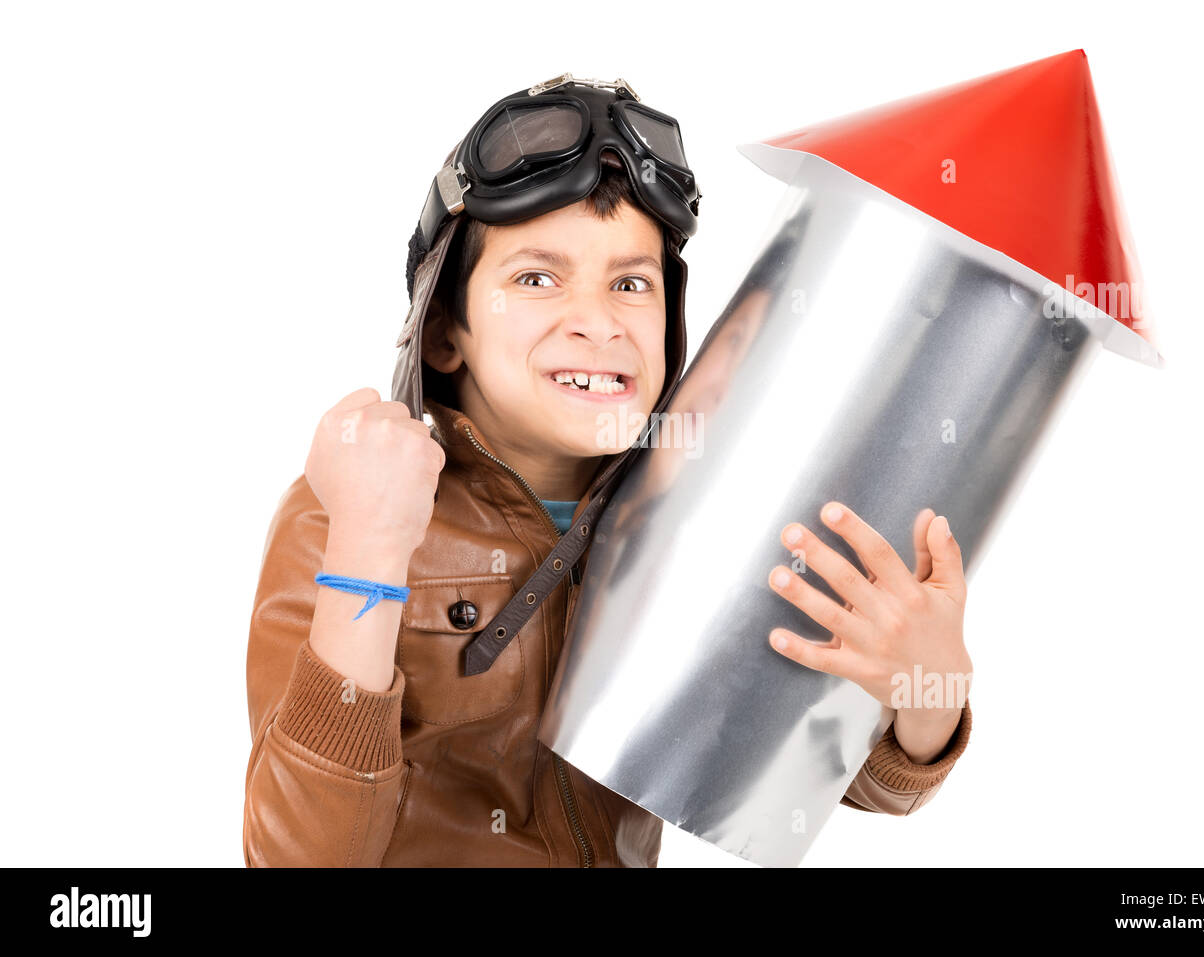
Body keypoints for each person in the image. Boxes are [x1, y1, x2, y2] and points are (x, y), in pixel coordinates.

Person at [242, 75, 972, 867]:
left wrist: (924, 687)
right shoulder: (342, 514)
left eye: (631, 283)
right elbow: (301, 856)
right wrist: (368, 552)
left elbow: (836, 773)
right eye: (535, 277)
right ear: (446, 333)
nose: (596, 321)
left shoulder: (693, 512)